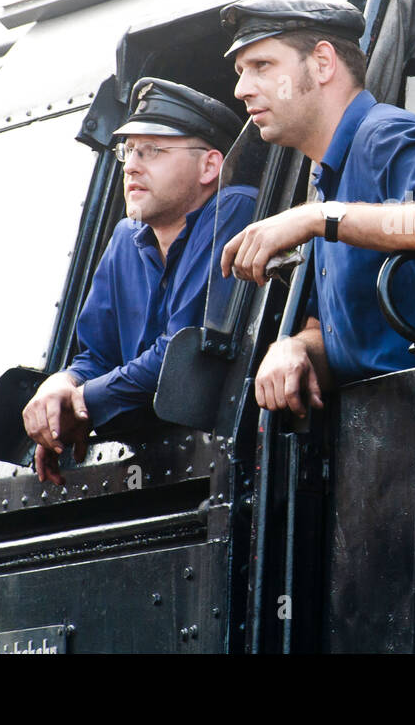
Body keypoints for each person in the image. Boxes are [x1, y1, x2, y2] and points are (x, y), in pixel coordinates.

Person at [218, 0, 415, 418]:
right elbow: (332, 330)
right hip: (384, 430)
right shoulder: (328, 179)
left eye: (261, 66)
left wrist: (317, 218)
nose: (241, 89)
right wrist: (294, 348)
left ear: (323, 63)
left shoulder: (385, 136)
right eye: (240, 71)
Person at [24, 77, 255, 484]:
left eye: (152, 150)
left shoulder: (234, 210)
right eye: (128, 150)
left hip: (221, 463)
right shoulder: (123, 239)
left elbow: (183, 349)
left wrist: (83, 403)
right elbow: (97, 355)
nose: (130, 165)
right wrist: (61, 387)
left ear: (209, 166)